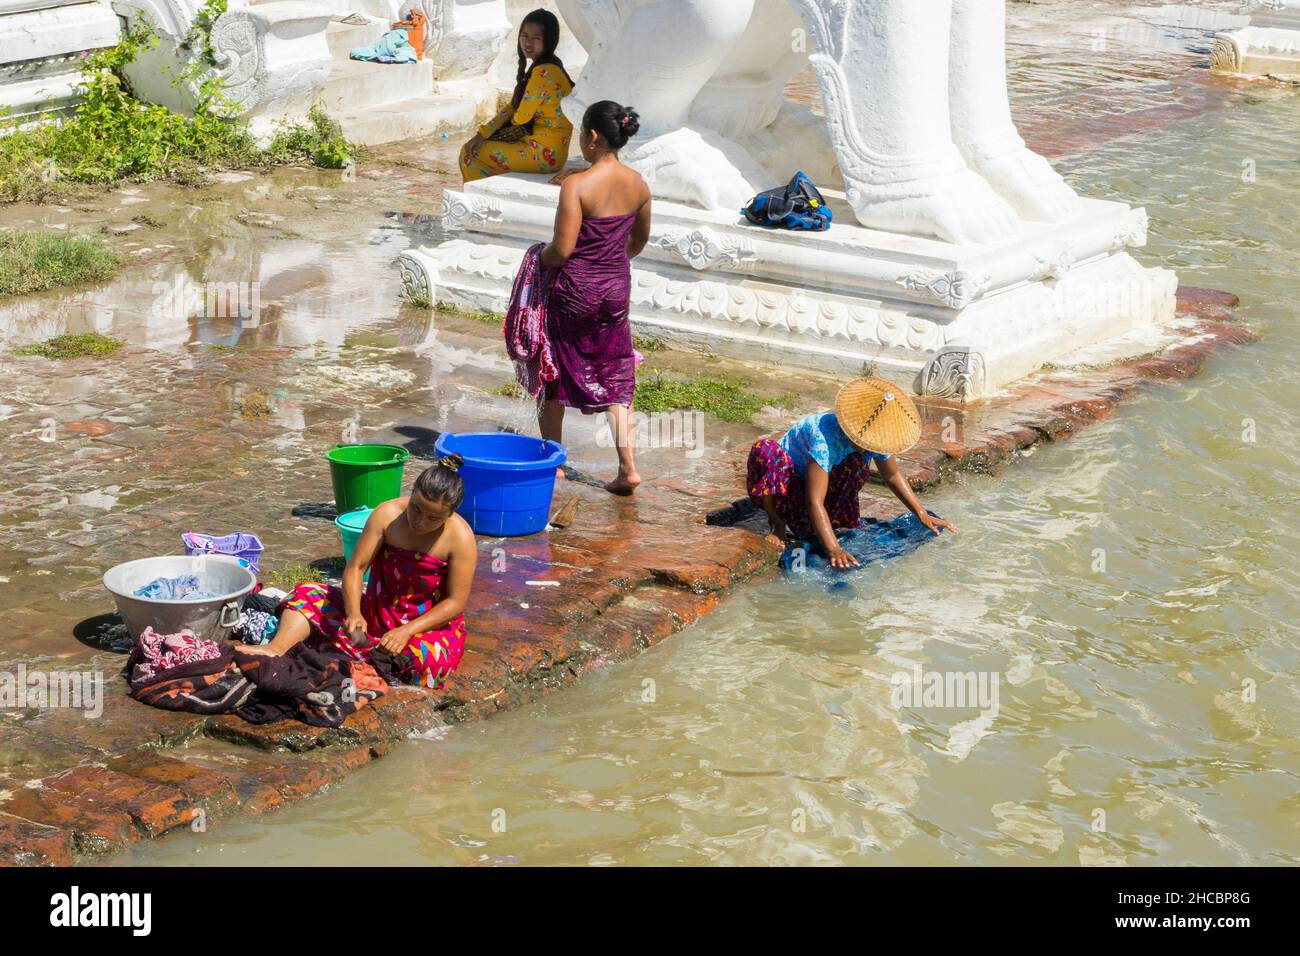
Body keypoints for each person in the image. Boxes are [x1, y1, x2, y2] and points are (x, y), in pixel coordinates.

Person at [237, 456, 477, 689]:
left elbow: (455, 602)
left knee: (428, 659)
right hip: (375, 614)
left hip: (423, 628)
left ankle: (357, 658)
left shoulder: (461, 538)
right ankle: (277, 648)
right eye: (415, 509)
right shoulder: (387, 515)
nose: (419, 521)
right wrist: (354, 613)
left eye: (432, 518)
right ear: (411, 493)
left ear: (450, 514)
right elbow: (356, 567)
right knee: (307, 594)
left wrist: (406, 631)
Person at [534, 99, 652, 494]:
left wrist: (536, 258)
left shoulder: (577, 186)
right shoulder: (638, 184)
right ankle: (627, 468)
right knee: (616, 374)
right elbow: (638, 240)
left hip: (575, 291)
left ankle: (554, 465)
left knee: (552, 370)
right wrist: (610, 263)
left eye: (582, 133)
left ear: (594, 136)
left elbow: (562, 250)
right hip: (616, 288)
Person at [748, 377, 958, 569]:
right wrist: (834, 549)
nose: (867, 448)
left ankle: (832, 523)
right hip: (790, 485)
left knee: (855, 465)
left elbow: (892, 476)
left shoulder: (877, 434)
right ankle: (777, 524)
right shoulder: (824, 439)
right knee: (765, 450)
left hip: (821, 486)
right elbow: (814, 501)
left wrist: (921, 514)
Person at [459, 9, 575, 182]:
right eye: (524, 36)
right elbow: (513, 107)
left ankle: (486, 204)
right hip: (552, 151)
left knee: (469, 154)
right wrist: (482, 134)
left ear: (549, 41)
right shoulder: (550, 66)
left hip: (544, 155)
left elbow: (520, 117)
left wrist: (488, 134)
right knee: (478, 146)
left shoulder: (544, 72)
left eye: (536, 38)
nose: (528, 43)